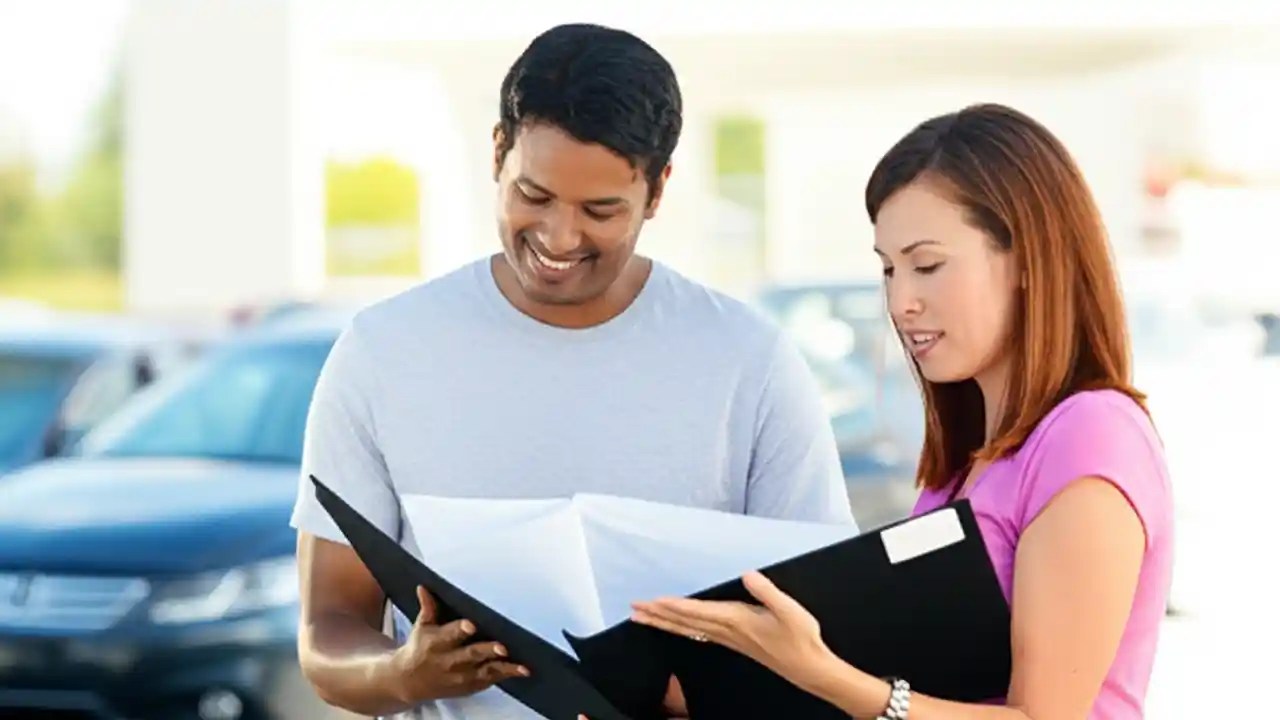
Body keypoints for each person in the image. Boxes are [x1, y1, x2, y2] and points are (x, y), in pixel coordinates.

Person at [289, 22, 856, 720]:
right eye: (534, 195)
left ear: (657, 192)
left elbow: (825, 640)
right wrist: (407, 671)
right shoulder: (382, 352)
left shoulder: (752, 361)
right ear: (498, 152)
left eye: (600, 211)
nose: (559, 238)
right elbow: (326, 636)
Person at [623, 103, 1174, 719]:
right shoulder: (961, 468)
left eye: (927, 265)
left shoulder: (1090, 434)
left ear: (1027, 258)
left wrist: (827, 676)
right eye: (888, 269)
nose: (900, 301)